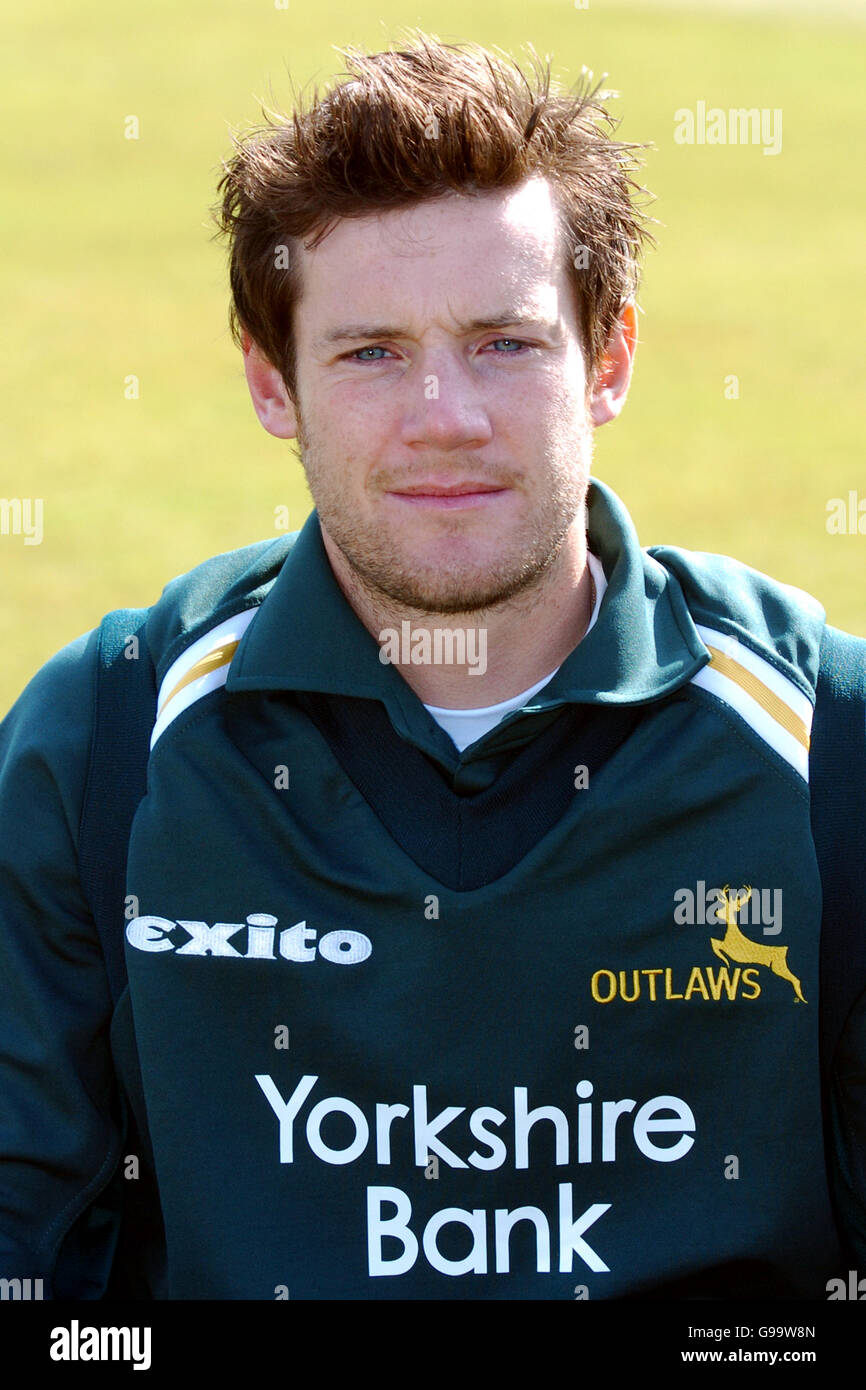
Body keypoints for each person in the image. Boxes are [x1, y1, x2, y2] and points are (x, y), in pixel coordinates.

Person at [1, 31, 864, 1302]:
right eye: (369, 352)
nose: (443, 415)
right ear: (270, 381)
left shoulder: (821, 746)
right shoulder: (106, 739)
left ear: (608, 358)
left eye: (504, 342)